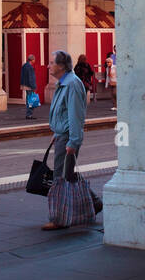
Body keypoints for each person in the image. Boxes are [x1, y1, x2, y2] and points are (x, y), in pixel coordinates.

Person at [42, 49, 101, 229]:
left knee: (60, 177)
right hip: (62, 135)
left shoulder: (72, 84)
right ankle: (95, 202)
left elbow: (76, 116)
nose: (48, 66)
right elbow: (63, 114)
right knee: (67, 174)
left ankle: (59, 218)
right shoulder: (63, 83)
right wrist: (56, 133)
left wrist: (73, 142)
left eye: (52, 63)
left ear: (61, 66)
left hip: (68, 138)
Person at [20, 54, 37, 119]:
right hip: (29, 85)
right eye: (34, 59)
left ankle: (28, 114)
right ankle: (29, 114)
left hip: (25, 84)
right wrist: (33, 86)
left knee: (28, 99)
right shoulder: (30, 67)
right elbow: (31, 77)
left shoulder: (24, 65)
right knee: (30, 100)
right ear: (32, 60)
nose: (34, 61)